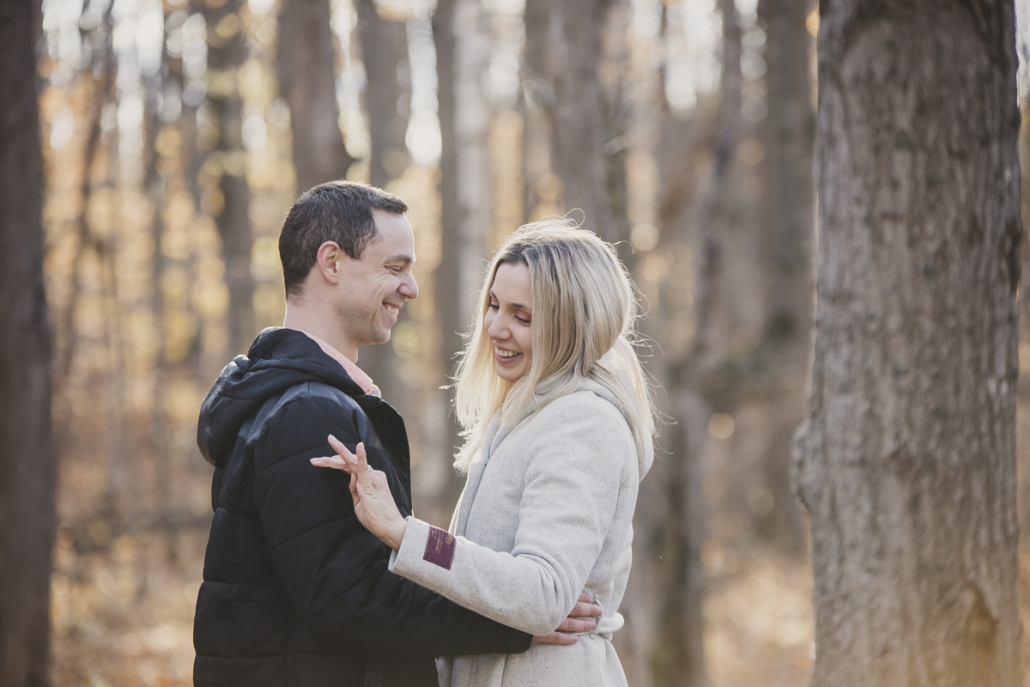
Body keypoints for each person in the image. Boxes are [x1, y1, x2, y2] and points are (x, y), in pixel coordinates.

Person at [193, 182, 598, 687]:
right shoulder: (309, 412)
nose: (412, 288)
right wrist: (517, 620)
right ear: (332, 263)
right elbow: (355, 598)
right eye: (394, 267)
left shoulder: (297, 399)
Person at [313, 218, 656, 686]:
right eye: (494, 305)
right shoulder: (526, 416)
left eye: (523, 316)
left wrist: (406, 533)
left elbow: (542, 593)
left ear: (574, 325)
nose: (495, 327)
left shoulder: (582, 424)